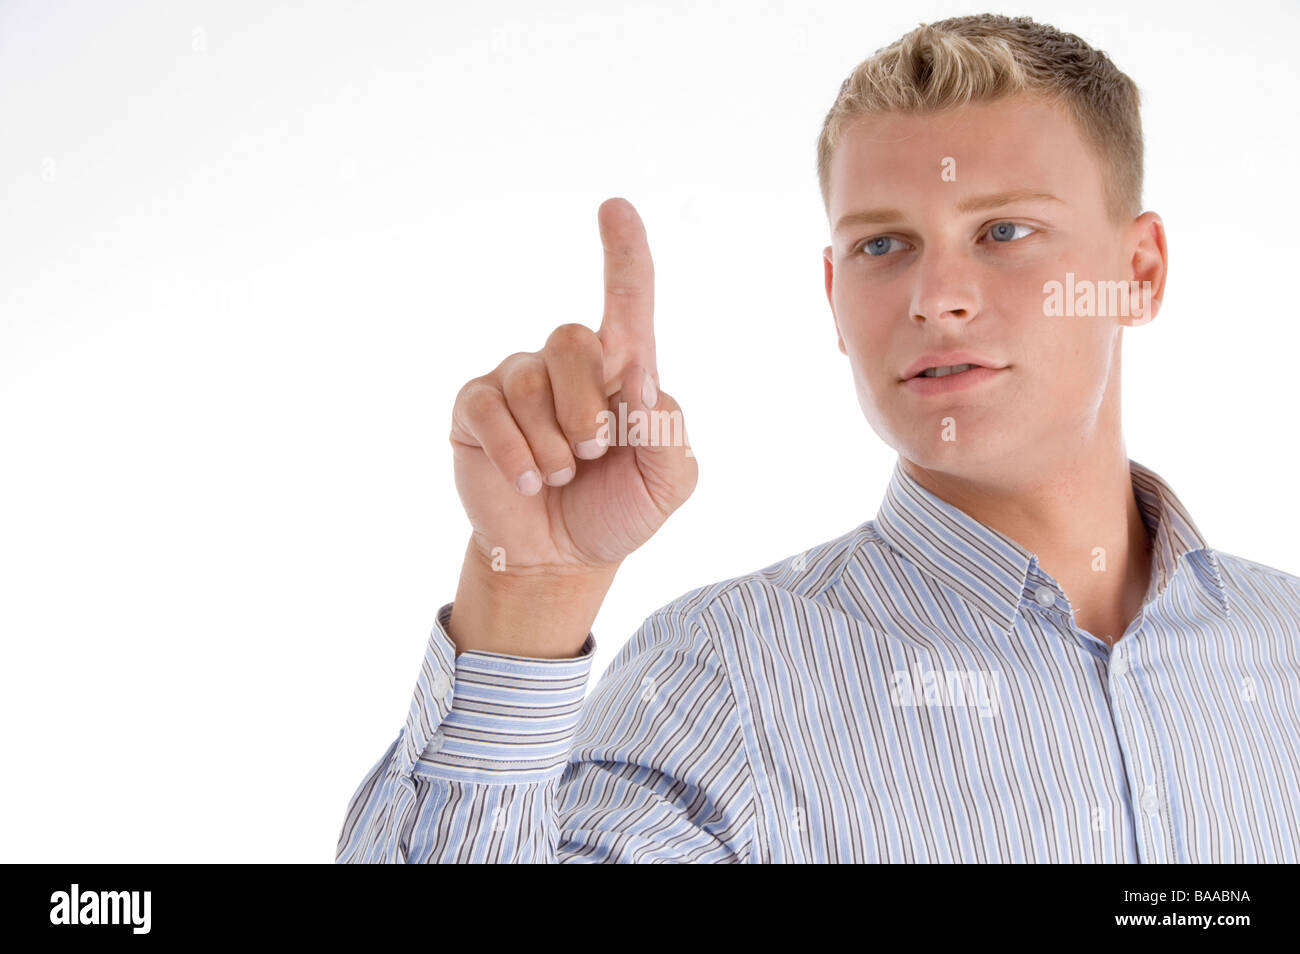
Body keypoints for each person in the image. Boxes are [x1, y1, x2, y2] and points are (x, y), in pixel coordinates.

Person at [335, 13, 1300, 863]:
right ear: (836, 299)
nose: (937, 298)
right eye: (883, 245)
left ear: (1138, 271)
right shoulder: (723, 686)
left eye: (1004, 231)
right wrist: (525, 595)